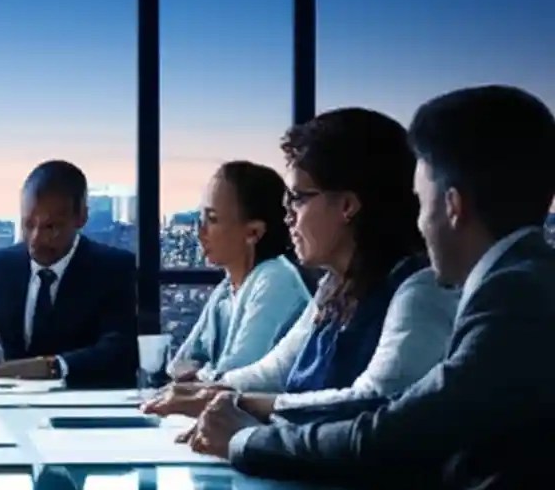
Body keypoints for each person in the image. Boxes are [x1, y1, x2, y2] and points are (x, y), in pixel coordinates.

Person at [189, 86, 555, 490]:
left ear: (453, 206)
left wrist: (247, 439)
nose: (418, 221)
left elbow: (390, 424)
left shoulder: (512, 295)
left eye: (421, 202)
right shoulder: (520, 281)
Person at [143, 108, 458, 423]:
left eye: (298, 198)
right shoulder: (334, 288)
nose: (288, 216)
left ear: (347, 206)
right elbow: (278, 370)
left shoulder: (419, 291)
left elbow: (372, 402)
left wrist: (235, 401)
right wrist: (210, 391)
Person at [0, 160, 139, 387]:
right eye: (28, 225)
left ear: (81, 217)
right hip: (15, 405)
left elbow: (119, 349)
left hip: (84, 403)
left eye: (51, 227)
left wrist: (53, 367)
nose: (35, 239)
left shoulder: (113, 268)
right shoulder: (3, 264)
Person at [168, 161, 311, 382]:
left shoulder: (275, 281)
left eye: (212, 219)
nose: (200, 232)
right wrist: (202, 374)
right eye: (201, 218)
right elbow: (178, 365)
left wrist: (200, 373)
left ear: (253, 232)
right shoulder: (226, 290)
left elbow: (237, 375)